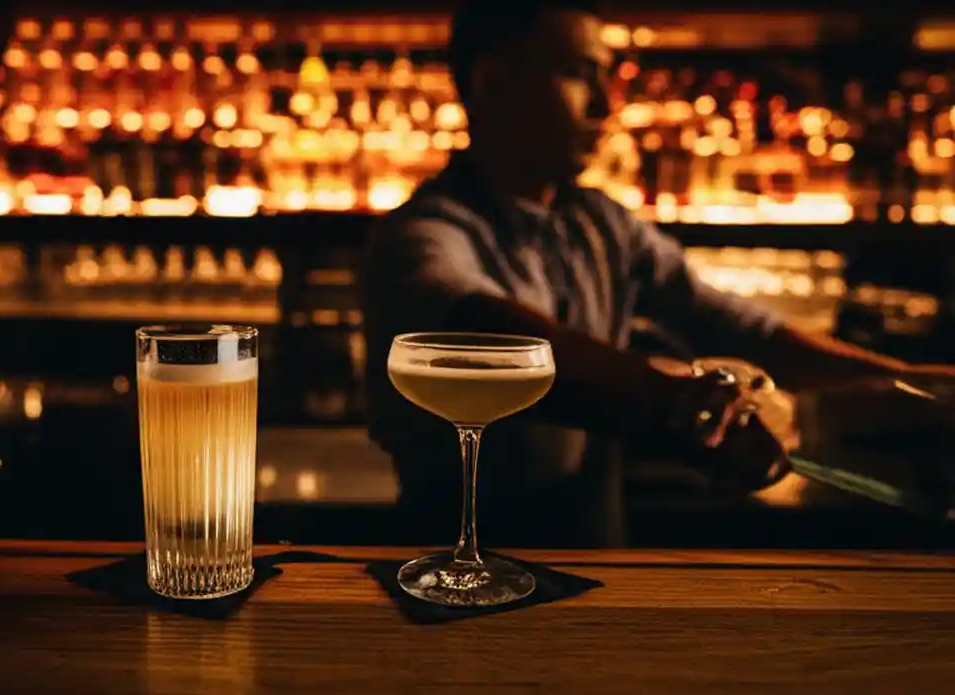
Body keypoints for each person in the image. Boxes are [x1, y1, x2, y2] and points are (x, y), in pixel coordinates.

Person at [362, 1, 955, 547]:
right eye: (577, 74)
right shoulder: (421, 233)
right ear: (492, 82)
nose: (604, 105)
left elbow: (742, 329)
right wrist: (673, 402)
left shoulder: (601, 225)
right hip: (449, 571)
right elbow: (481, 328)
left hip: (593, 572)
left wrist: (919, 387)